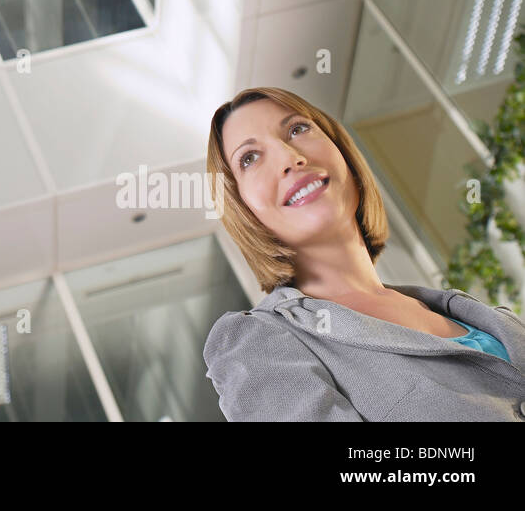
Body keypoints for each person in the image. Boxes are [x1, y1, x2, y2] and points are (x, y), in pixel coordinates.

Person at [202, 86, 525, 421]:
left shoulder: (481, 316)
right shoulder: (258, 342)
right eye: (249, 158)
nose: (289, 158)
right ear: (242, 209)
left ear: (344, 156)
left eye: (297, 129)